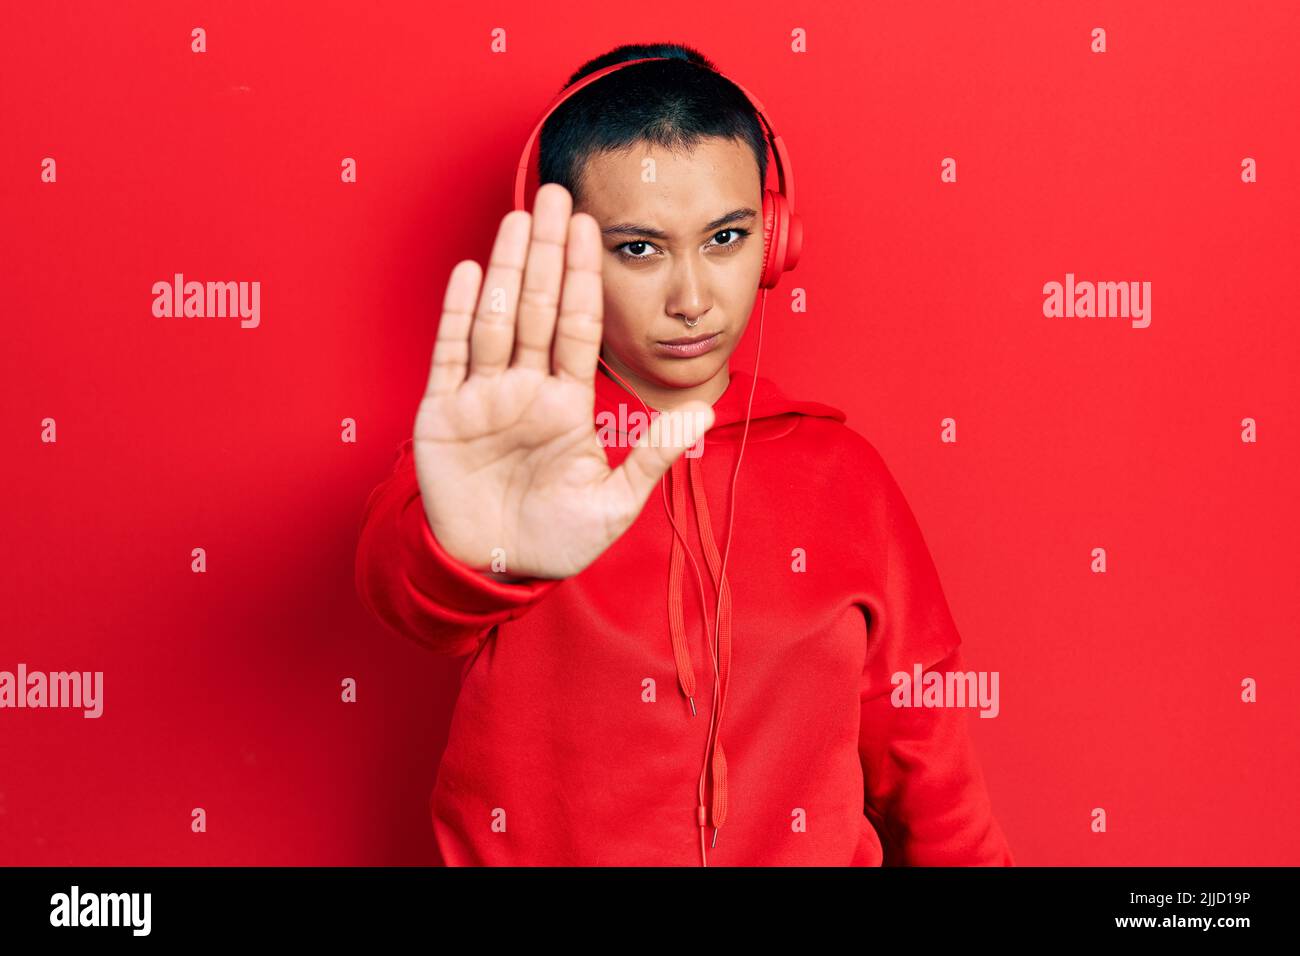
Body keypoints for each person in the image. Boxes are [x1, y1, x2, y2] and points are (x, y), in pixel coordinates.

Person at [354, 42, 1014, 867]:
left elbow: (937, 783)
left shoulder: (848, 475)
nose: (693, 298)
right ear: (565, 256)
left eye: (726, 238)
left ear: (775, 243)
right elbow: (401, 589)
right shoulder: (505, 453)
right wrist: (477, 550)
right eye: (639, 249)